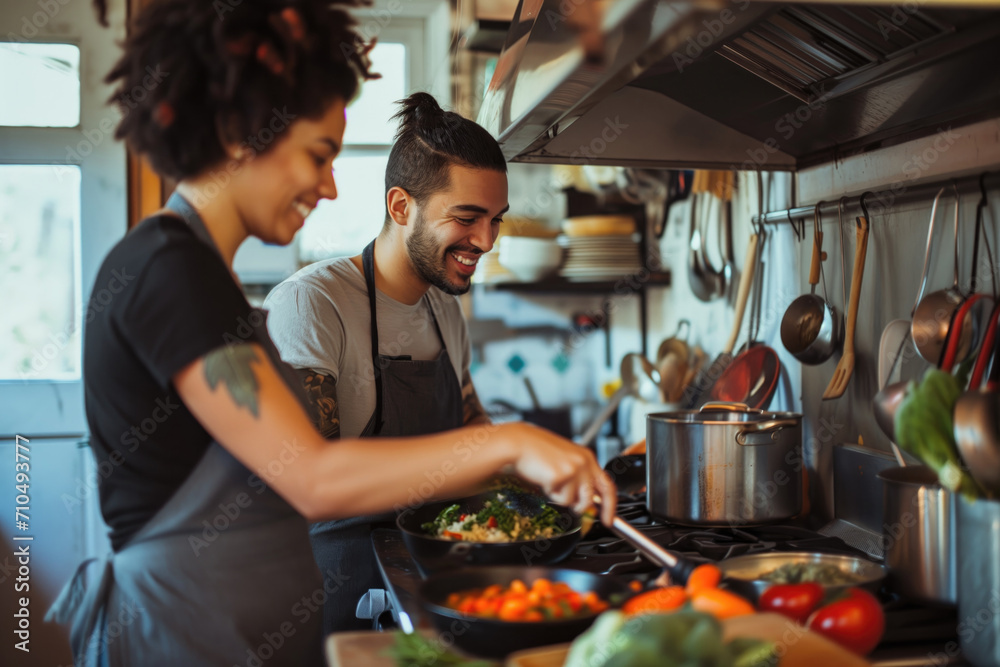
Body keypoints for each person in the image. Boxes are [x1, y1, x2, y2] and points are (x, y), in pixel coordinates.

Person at [47, 1, 616, 666]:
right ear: (241, 133)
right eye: (318, 155)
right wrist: (510, 443)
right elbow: (309, 475)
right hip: (183, 636)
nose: (330, 184)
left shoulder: (201, 270)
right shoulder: (171, 269)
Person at [264, 91, 506, 633]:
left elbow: (471, 425)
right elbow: (309, 484)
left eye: (495, 220)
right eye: (468, 218)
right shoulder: (312, 304)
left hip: (436, 585)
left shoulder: (445, 306)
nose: (486, 241)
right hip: (332, 599)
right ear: (401, 207)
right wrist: (503, 447)